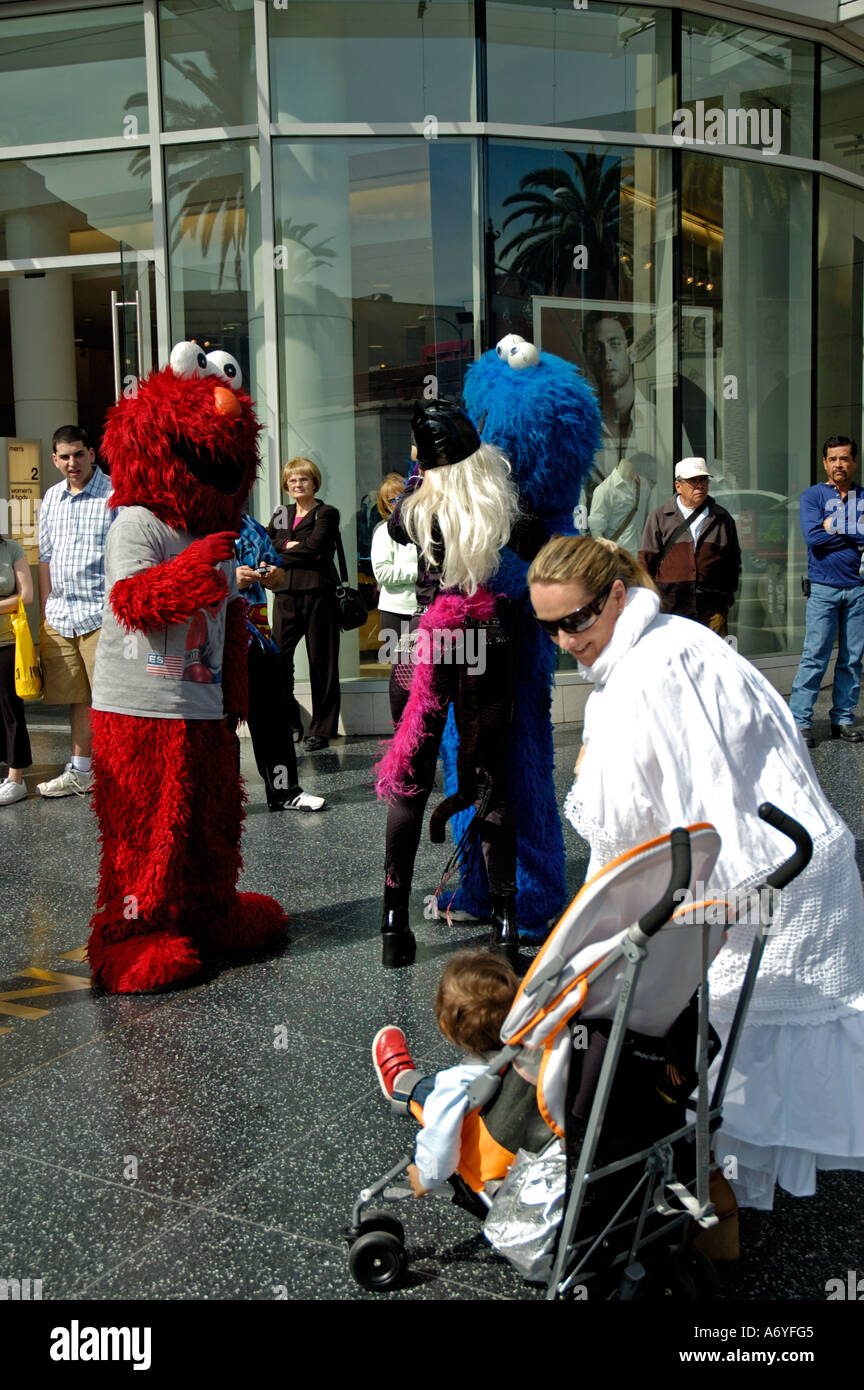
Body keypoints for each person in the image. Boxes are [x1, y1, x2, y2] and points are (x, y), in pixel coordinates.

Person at [528, 532, 864, 1211]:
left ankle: (713, 1204)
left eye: (577, 619)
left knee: (731, 1045)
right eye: (549, 628)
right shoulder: (672, 641)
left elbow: (629, 830)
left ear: (617, 595)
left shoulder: (646, 674)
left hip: (764, 878)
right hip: (785, 863)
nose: (566, 640)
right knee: (737, 1051)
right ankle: (716, 1197)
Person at [375, 399, 527, 968]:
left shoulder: (415, 506)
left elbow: (394, 521)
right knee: (491, 782)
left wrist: (419, 469)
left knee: (408, 786)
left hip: (422, 645)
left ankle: (393, 923)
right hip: (486, 642)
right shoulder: (499, 503)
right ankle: (507, 926)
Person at [372, 950, 520, 1197]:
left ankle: (400, 1084)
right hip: (519, 1113)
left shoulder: (454, 1086)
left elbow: (440, 1144)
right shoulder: (537, 1050)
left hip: (490, 1143)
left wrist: (425, 1177)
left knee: (430, 1091)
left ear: (445, 1028)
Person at [36, 427, 115, 797]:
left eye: (78, 454)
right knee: (79, 697)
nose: (72, 463)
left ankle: (121, 775)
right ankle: (82, 771)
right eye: (64, 457)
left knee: (112, 699)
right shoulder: (51, 497)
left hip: (103, 615)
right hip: (62, 615)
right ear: (54, 459)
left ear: (92, 453)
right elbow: (46, 558)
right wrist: (47, 609)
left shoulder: (115, 495)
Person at [235, 514, 325, 812]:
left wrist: (273, 576)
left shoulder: (248, 524)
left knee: (273, 720)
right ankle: (221, 799)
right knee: (218, 726)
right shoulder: (191, 525)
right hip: (214, 641)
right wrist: (227, 579)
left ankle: (285, 792)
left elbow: (278, 575)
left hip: (258, 638)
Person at [788, 436, 864, 747]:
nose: (839, 465)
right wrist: (853, 529)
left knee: (853, 658)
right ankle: (800, 721)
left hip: (857, 589)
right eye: (833, 459)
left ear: (854, 462)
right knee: (814, 656)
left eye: (844, 458)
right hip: (823, 588)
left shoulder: (862, 496)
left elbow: (830, 532)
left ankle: (843, 719)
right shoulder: (812, 497)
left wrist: (834, 524)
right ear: (824, 463)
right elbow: (814, 538)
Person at [267, 458, 340, 752]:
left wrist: (285, 549)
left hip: (318, 593)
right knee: (277, 659)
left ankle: (321, 729)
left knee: (322, 661)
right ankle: (289, 719)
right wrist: (290, 547)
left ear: (314, 483)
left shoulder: (327, 512)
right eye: (293, 481)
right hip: (285, 593)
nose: (298, 485)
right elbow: (268, 542)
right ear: (286, 485)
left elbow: (316, 546)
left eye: (304, 480)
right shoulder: (282, 513)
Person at [638, 456, 740, 636]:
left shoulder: (722, 518)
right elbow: (646, 562)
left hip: (712, 608)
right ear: (678, 486)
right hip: (671, 608)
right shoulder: (660, 517)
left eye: (703, 480)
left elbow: (733, 563)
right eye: (693, 481)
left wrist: (725, 599)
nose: (700, 486)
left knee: (711, 660)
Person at [370, 472, 417, 724]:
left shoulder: (426, 527)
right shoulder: (383, 531)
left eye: (401, 496)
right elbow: (383, 573)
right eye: (390, 500)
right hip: (396, 611)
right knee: (402, 674)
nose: (397, 503)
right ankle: (403, 730)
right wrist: (422, 573)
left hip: (426, 610)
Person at [0, 531, 34, 805]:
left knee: (11, 708)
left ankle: (16, 777)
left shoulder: (11, 549)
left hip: (7, 642)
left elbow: (27, 595)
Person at [587, 455, 656, 558]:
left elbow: (651, 517)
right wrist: (604, 555)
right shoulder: (604, 490)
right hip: (617, 555)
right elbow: (596, 529)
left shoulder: (644, 484)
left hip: (640, 555)